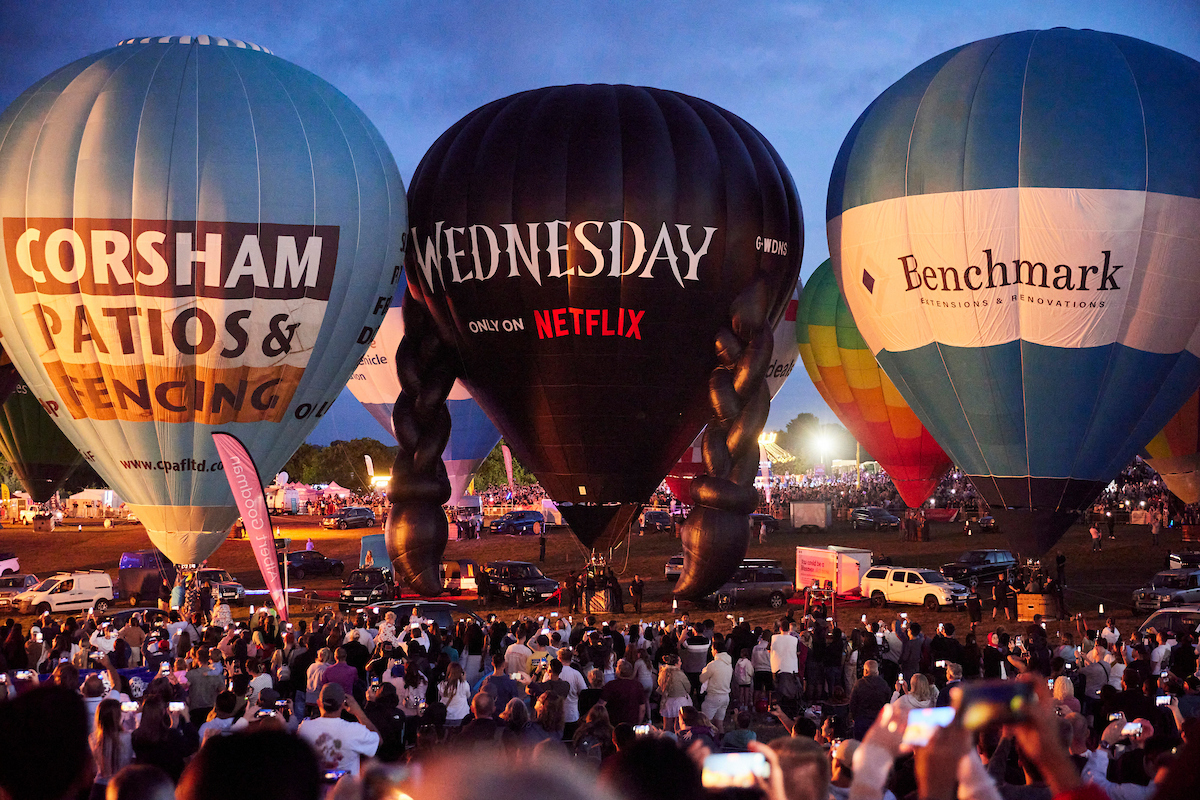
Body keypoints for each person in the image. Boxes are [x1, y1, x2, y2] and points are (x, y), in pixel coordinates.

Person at [297, 682, 380, 775]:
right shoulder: (354, 730)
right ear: (343, 704)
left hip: (316, 788)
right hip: (346, 788)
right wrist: (358, 711)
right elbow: (378, 741)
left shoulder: (304, 728)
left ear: (318, 703)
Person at [849, 660, 891, 740]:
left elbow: (852, 703)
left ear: (865, 671)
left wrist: (854, 717)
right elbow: (888, 702)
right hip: (878, 721)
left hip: (862, 721)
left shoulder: (859, 684)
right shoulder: (884, 684)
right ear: (877, 671)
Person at [700, 637, 733, 732]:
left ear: (715, 650)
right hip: (725, 697)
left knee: (705, 723)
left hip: (713, 697)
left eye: (711, 649)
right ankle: (721, 742)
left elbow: (702, 678)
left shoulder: (713, 665)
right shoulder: (729, 664)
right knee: (719, 723)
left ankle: (708, 742)